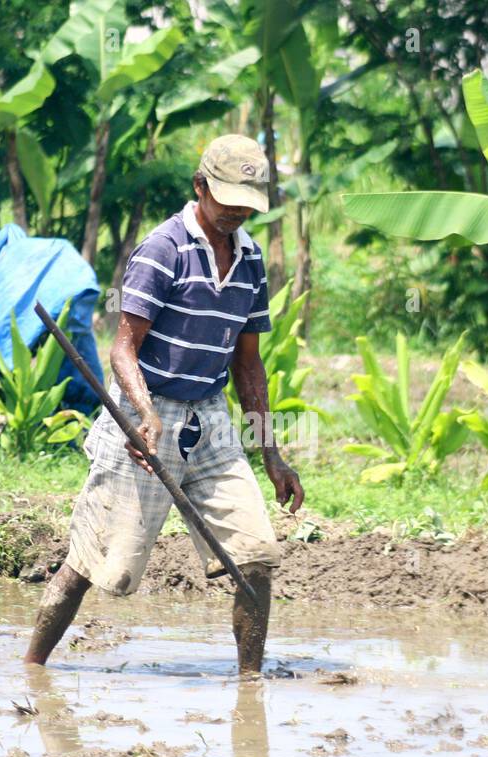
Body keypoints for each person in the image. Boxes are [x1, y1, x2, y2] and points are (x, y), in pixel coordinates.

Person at [24, 134, 305, 673]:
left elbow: (247, 364)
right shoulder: (163, 249)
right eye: (228, 200)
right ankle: (33, 668)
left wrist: (272, 455)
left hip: (212, 419)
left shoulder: (250, 262)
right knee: (96, 564)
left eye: (248, 204)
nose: (239, 212)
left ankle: (250, 686)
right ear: (200, 187)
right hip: (145, 417)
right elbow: (123, 348)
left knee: (256, 556)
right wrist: (145, 414)